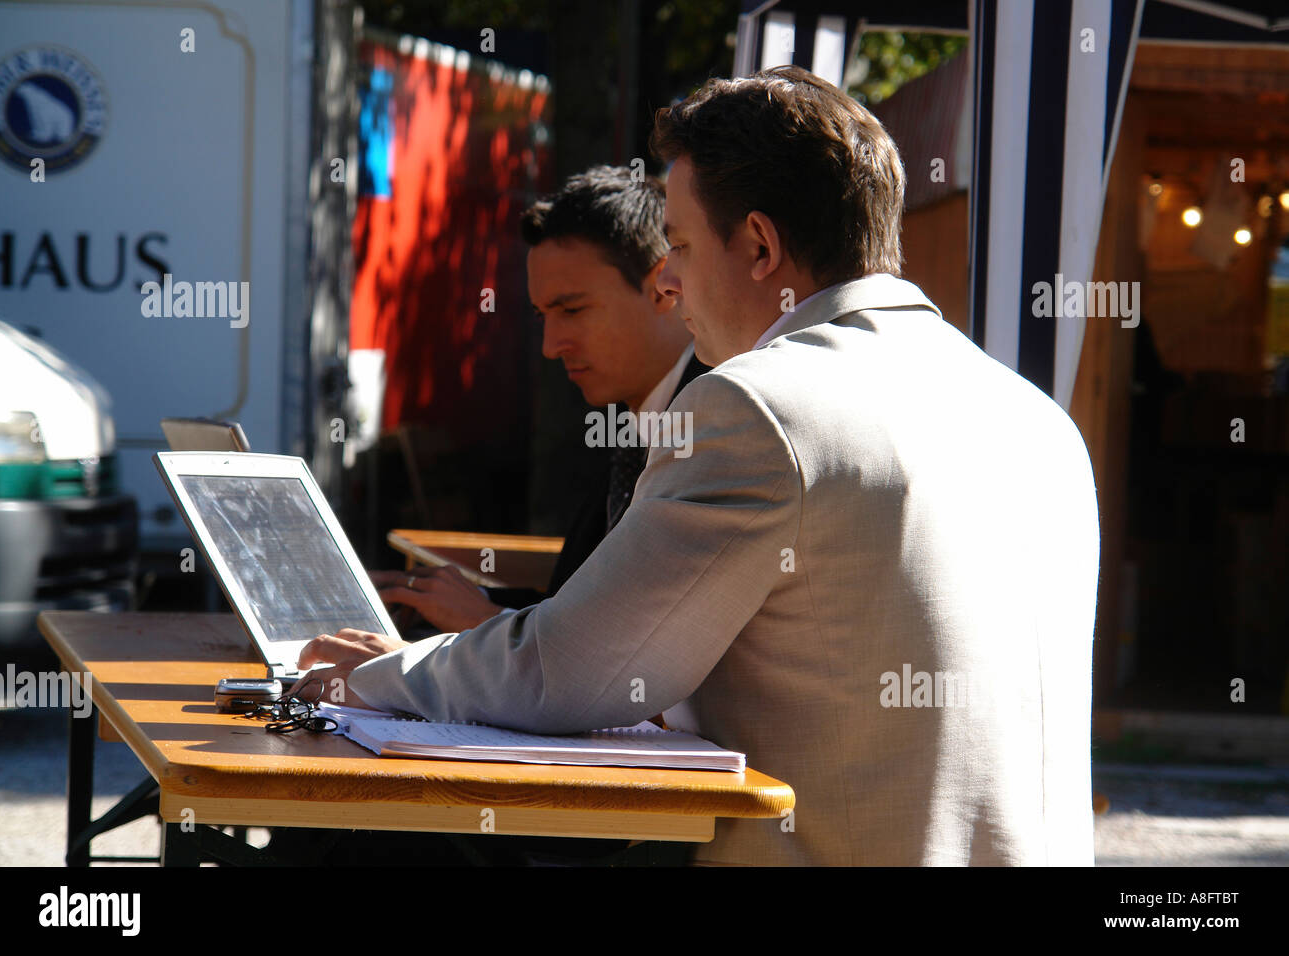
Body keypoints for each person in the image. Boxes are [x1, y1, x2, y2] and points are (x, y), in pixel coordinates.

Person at [298, 66, 1100, 866]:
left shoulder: (760, 406)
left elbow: (570, 674)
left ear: (758, 245)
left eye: (678, 242)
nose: (669, 278)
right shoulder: (1042, 421)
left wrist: (380, 676)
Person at [371, 165, 708, 635]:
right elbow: (576, 610)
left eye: (572, 309)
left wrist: (487, 622)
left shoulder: (715, 425)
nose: (551, 346)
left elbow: (640, 648)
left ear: (661, 287)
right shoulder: (639, 422)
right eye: (543, 315)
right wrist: (466, 604)